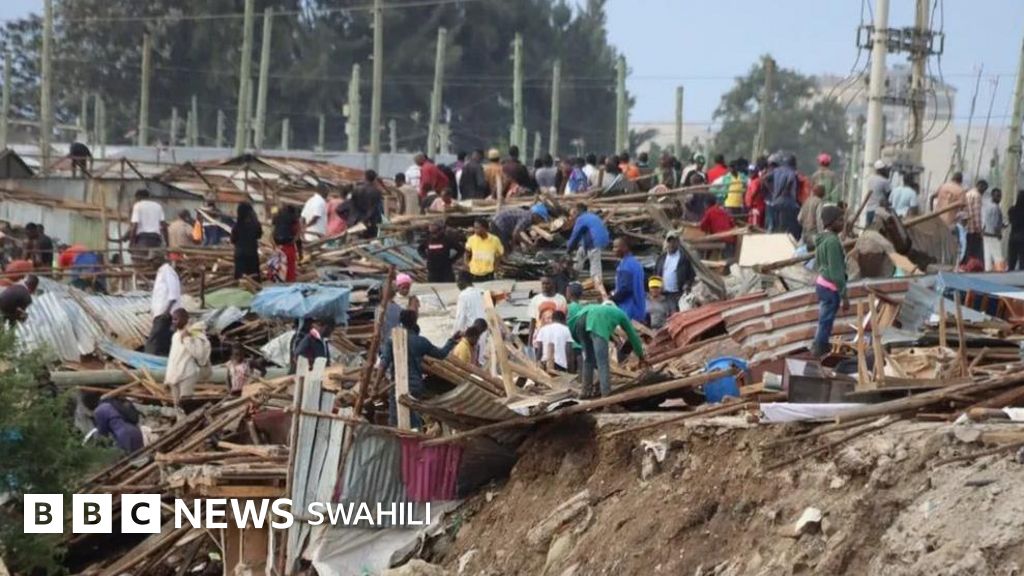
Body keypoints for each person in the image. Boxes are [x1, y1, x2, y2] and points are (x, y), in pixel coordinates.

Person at [380, 309, 460, 428]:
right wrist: (452, 341)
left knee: (395, 418)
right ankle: (416, 439)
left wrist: (376, 385)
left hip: (397, 386)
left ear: (400, 321)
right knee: (414, 417)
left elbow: (383, 364)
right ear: (415, 322)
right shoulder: (421, 342)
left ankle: (400, 442)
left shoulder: (391, 341)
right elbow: (441, 354)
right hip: (415, 386)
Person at [572, 302, 646, 398]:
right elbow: (633, 336)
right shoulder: (620, 313)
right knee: (603, 362)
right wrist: (641, 355)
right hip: (595, 322)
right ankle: (606, 396)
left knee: (588, 359)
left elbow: (575, 320)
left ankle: (585, 392)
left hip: (580, 320)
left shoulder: (598, 308)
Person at [811, 205, 849, 357]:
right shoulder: (832, 242)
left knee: (824, 319)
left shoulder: (822, 239)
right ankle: (819, 349)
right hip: (830, 287)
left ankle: (819, 345)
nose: (843, 223)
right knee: (826, 321)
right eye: (840, 220)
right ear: (831, 223)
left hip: (822, 283)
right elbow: (836, 272)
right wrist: (844, 294)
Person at [165, 308, 211, 410]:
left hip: (187, 374)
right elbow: (172, 359)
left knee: (185, 405)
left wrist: (187, 339)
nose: (174, 322)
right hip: (175, 375)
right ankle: (180, 425)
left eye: (176, 319)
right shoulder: (175, 336)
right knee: (177, 407)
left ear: (185, 319)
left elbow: (199, 354)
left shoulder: (193, 334)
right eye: (173, 319)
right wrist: (167, 378)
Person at [146, 252, 182, 355]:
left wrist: (167, 311)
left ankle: (148, 361)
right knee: (165, 340)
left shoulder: (167, 271)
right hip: (161, 312)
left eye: (153, 261)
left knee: (154, 339)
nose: (151, 264)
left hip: (165, 313)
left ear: (160, 259)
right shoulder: (160, 272)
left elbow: (173, 292)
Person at [566, 203, 610, 281]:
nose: (572, 216)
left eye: (573, 212)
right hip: (603, 240)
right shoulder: (592, 216)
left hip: (595, 243)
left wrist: (569, 249)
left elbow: (575, 236)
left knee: (595, 266)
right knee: (580, 252)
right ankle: (574, 274)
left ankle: (596, 284)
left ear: (578, 211)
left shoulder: (581, 219)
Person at [654, 231, 694, 313]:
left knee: (676, 315)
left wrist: (687, 284)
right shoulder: (661, 258)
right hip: (664, 294)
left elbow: (691, 275)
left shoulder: (684, 258)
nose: (671, 244)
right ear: (666, 242)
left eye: (674, 241)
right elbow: (655, 274)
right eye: (669, 241)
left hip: (677, 294)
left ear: (678, 242)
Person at [610, 237, 646, 323]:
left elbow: (625, 289)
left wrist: (612, 298)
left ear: (625, 248)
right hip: (639, 308)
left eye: (616, 247)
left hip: (628, 310)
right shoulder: (636, 264)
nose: (613, 250)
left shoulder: (625, 266)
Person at [528, 275, 568, 341]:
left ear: (553, 284)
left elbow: (564, 320)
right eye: (543, 283)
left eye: (547, 283)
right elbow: (532, 321)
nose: (545, 286)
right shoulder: (536, 299)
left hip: (556, 338)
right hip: (539, 339)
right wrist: (529, 342)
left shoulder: (561, 299)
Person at [767, 154, 800, 235]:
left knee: (776, 223)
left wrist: (771, 190)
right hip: (788, 200)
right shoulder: (791, 171)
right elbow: (790, 181)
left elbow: (764, 178)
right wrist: (785, 191)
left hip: (775, 200)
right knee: (795, 219)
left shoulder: (776, 170)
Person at [230, 202, 262, 280]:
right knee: (253, 278)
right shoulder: (255, 224)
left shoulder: (237, 225)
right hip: (252, 254)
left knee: (241, 279)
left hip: (240, 254)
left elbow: (233, 240)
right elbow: (259, 235)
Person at [465, 218, 504, 282]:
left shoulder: (495, 240)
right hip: (474, 274)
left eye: (477, 228)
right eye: (474, 228)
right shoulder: (471, 239)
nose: (475, 230)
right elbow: (467, 254)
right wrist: (468, 265)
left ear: (484, 228)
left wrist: (496, 267)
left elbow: (499, 255)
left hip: (488, 274)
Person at [351, 170, 384, 238]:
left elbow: (353, 205)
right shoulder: (377, 191)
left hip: (358, 219)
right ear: (374, 179)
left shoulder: (356, 189)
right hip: (371, 221)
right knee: (370, 241)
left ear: (365, 177)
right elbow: (377, 208)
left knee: (358, 240)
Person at [964, 179, 988, 263]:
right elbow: (977, 214)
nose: (983, 192)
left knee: (968, 251)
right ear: (980, 186)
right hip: (974, 230)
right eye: (984, 190)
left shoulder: (968, 194)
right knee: (976, 253)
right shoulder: (977, 196)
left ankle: (967, 266)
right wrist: (979, 231)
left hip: (967, 228)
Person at [982, 188, 1006, 271]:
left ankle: (987, 270)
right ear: (992, 196)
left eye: (1000, 196)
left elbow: (986, 222)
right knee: (998, 256)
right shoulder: (996, 208)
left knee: (987, 255)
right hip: (993, 236)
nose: (999, 198)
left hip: (986, 235)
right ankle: (1000, 272)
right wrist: (998, 234)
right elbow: (995, 225)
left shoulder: (987, 207)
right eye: (997, 196)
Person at [863, 160, 892, 226]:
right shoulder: (885, 181)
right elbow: (889, 195)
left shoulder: (870, 179)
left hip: (869, 209)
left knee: (868, 228)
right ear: (881, 170)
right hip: (879, 210)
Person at [1009, 190, 1024, 271]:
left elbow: (1011, 221)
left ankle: (1009, 276)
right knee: (1022, 260)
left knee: (1012, 259)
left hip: (1013, 237)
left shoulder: (1012, 210)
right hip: (1022, 238)